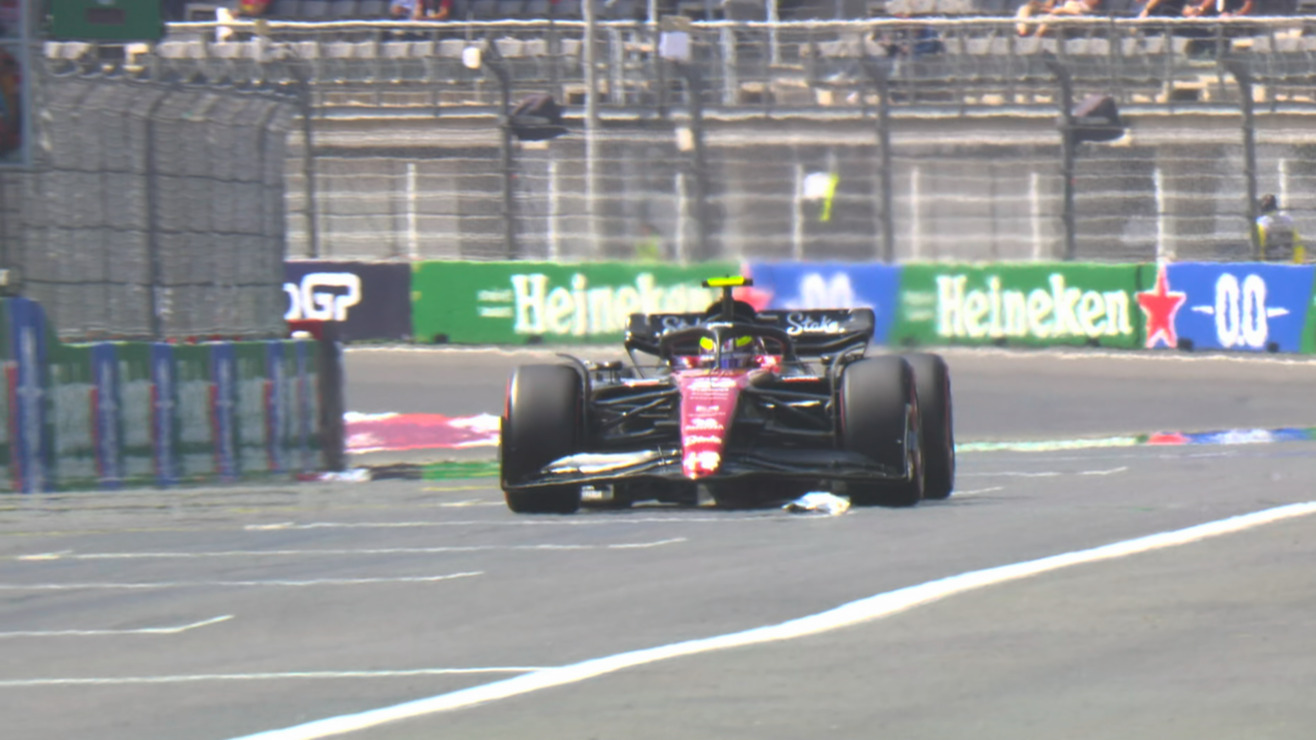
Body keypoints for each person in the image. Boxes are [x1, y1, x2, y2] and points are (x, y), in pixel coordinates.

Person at [1256, 194, 1305, 263]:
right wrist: (1298, 264)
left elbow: (1258, 249)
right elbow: (1298, 246)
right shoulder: (1289, 221)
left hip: (1269, 266)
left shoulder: (1260, 223)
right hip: (1289, 264)